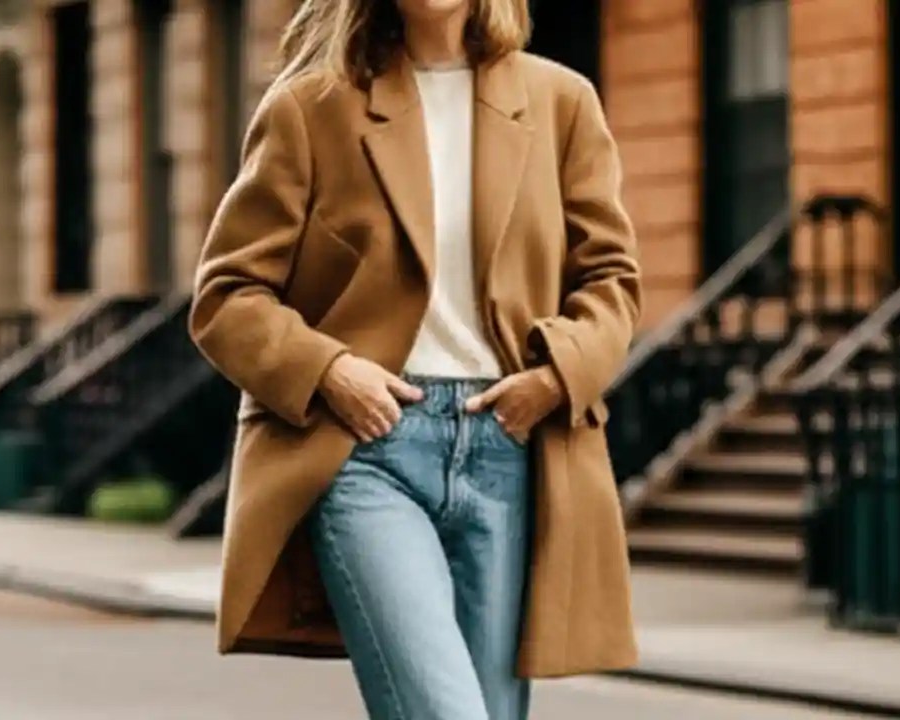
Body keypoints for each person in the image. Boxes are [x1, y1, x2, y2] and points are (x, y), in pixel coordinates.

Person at [189, 0, 642, 718]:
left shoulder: (562, 102)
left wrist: (557, 379)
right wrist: (330, 370)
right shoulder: (310, 109)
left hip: (510, 446)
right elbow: (227, 295)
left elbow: (612, 281)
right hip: (367, 450)